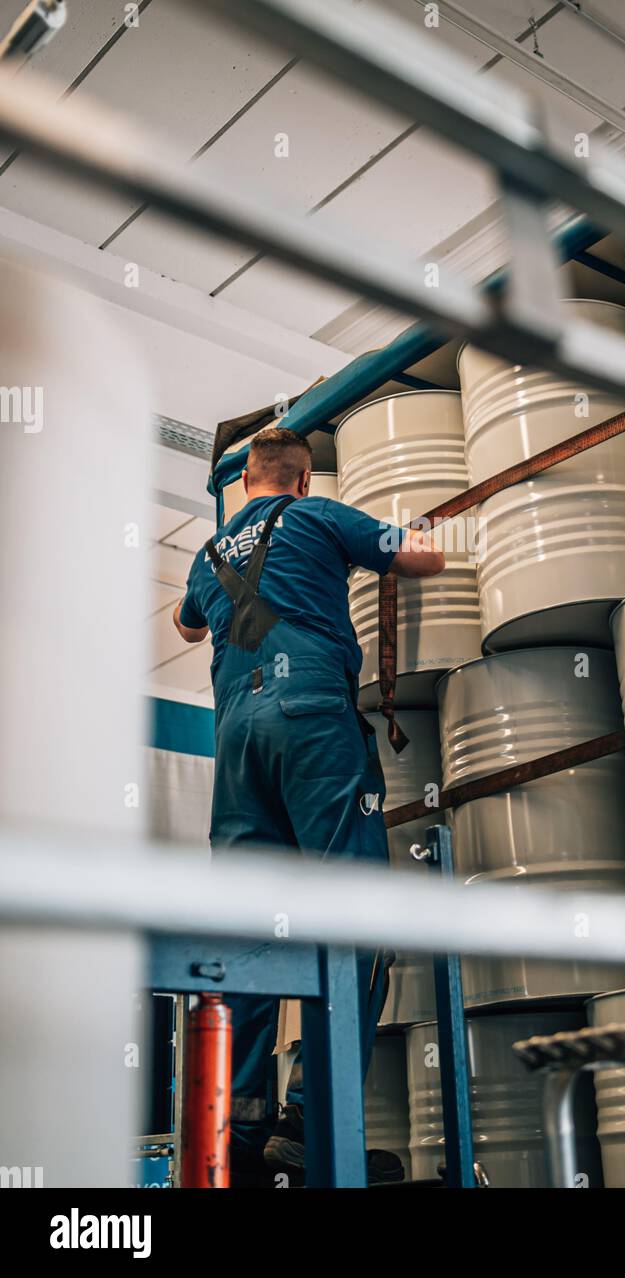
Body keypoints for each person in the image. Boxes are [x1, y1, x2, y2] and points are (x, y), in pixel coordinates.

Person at [173, 425, 445, 1184]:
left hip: (235, 746)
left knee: (252, 931)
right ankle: (312, 1119)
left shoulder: (207, 554)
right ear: (299, 479)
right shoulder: (319, 515)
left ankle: (240, 1127)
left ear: (248, 482)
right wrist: (422, 530)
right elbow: (426, 556)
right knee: (351, 915)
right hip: (310, 723)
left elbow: (185, 622)